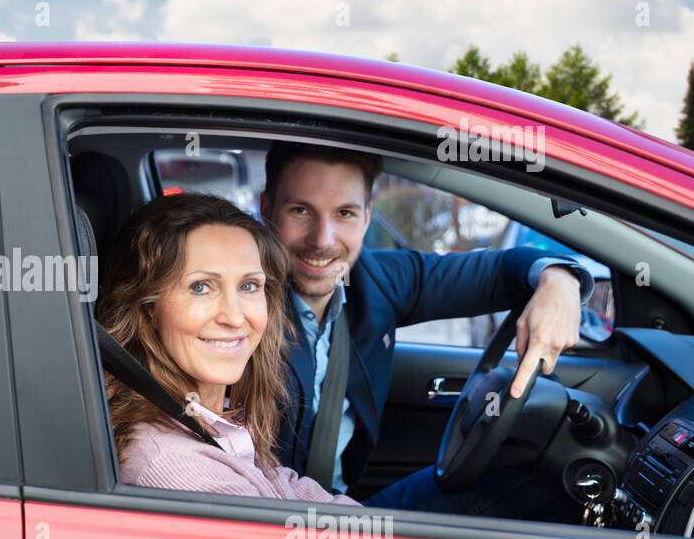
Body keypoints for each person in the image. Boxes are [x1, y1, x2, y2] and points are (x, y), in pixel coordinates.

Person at [259, 140, 592, 516]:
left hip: (344, 509)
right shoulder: (237, 301)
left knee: (538, 482)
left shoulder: (378, 281)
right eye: (301, 210)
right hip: (266, 527)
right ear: (266, 208)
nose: (322, 239)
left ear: (367, 216)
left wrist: (559, 281)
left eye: (344, 214)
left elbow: (498, 272)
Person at [96, 192, 359, 504]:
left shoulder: (213, 418)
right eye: (201, 287)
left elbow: (287, 488)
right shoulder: (174, 465)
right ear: (148, 307)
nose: (235, 317)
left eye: (248, 286)